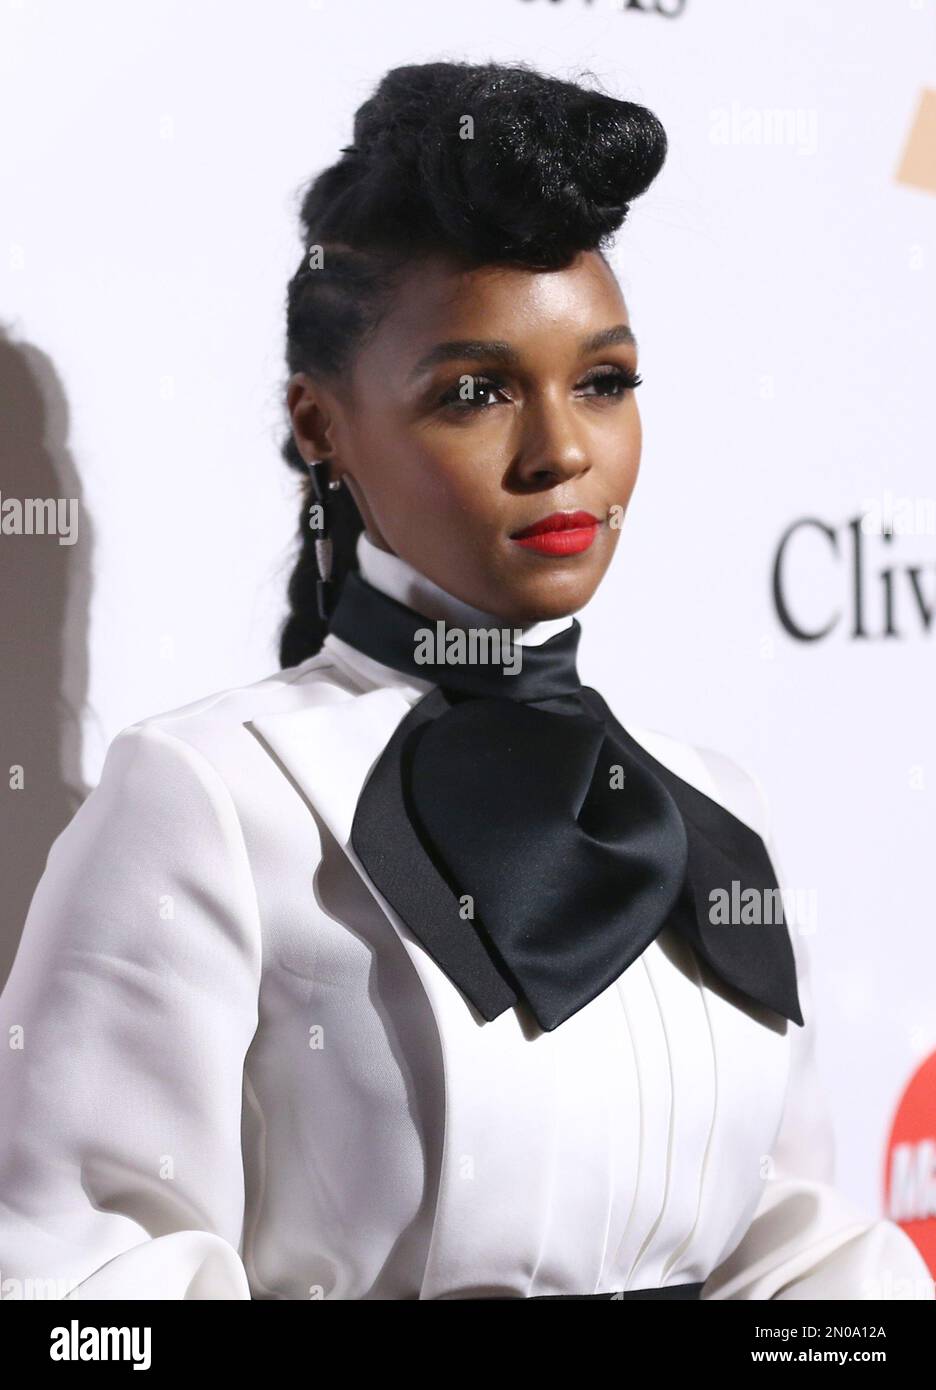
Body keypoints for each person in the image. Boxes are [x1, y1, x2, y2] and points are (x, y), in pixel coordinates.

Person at [0, 59, 931, 1302]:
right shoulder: (211, 802)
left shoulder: (708, 804)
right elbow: (82, 1285)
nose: (561, 451)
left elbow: (795, 1246)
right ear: (322, 425)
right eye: (476, 392)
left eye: (603, 381)